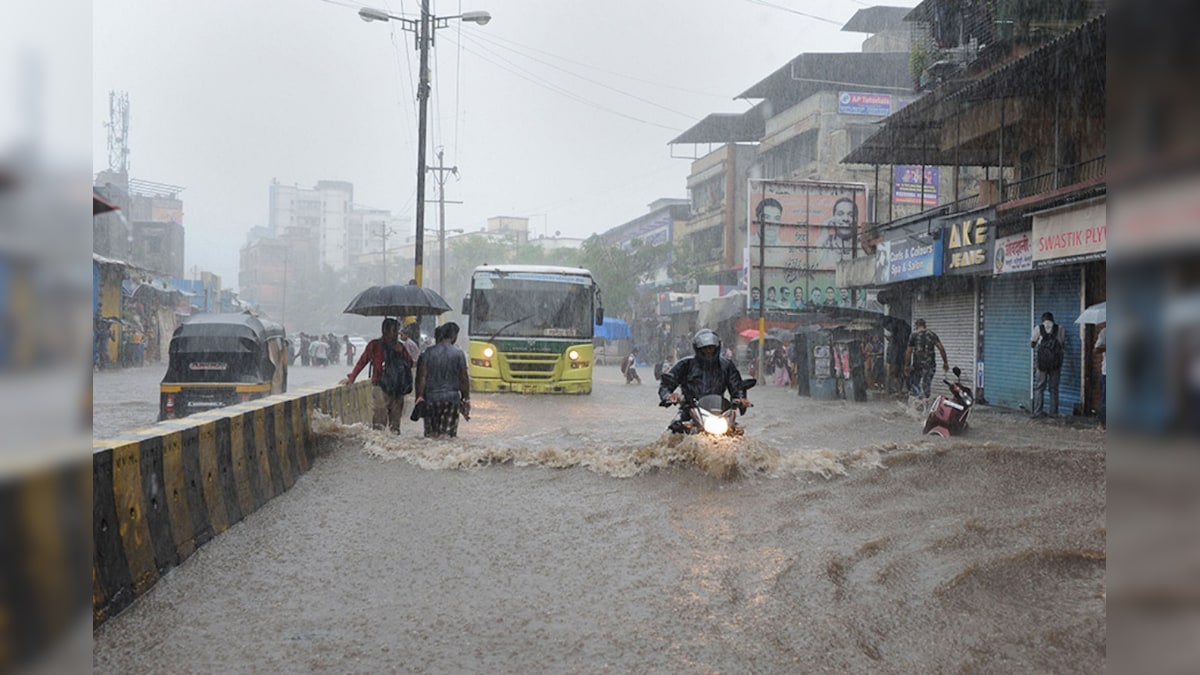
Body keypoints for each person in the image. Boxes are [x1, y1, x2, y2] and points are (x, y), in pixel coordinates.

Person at [658, 328, 750, 434]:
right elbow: (667, 384)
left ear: (717, 347)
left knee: (738, 432)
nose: (708, 351)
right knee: (674, 429)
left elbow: (737, 386)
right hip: (690, 410)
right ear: (697, 349)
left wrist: (741, 399)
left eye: (711, 348)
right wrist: (669, 396)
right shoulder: (685, 364)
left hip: (719, 412)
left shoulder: (726, 365)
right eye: (704, 348)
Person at [339, 318, 415, 433]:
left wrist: (401, 352)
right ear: (385, 330)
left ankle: (393, 442)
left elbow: (410, 363)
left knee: (395, 421)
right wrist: (352, 377)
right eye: (394, 331)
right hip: (380, 384)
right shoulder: (374, 345)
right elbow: (362, 361)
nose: (396, 334)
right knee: (380, 415)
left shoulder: (400, 346)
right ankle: (379, 441)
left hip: (397, 387)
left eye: (397, 331)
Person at [413, 322, 471, 439]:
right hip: (451, 399)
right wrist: (466, 398)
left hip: (431, 398)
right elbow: (463, 378)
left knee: (430, 436)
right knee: (448, 437)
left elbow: (422, 376)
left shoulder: (428, 353)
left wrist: (419, 396)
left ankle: (430, 456)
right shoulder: (458, 354)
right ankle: (444, 457)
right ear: (454, 336)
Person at [1031, 311, 1065, 417]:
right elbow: (1062, 343)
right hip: (1055, 363)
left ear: (1043, 319)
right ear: (1052, 319)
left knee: (1039, 387)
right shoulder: (1060, 328)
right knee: (1054, 388)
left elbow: (1032, 343)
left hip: (1042, 363)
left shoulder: (1038, 328)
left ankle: (1037, 411)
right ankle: (1053, 413)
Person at [905, 318, 949, 398]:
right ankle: (926, 402)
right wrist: (945, 362)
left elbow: (909, 352)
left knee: (914, 383)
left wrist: (907, 366)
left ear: (916, 326)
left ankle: (917, 401)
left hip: (917, 366)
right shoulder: (932, 334)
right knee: (927, 385)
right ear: (925, 325)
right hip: (930, 365)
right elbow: (941, 348)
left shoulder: (914, 335)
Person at [1095, 322, 1105, 430]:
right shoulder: (1105, 332)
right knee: (1105, 399)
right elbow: (1096, 349)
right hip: (1107, 371)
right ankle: (1103, 423)